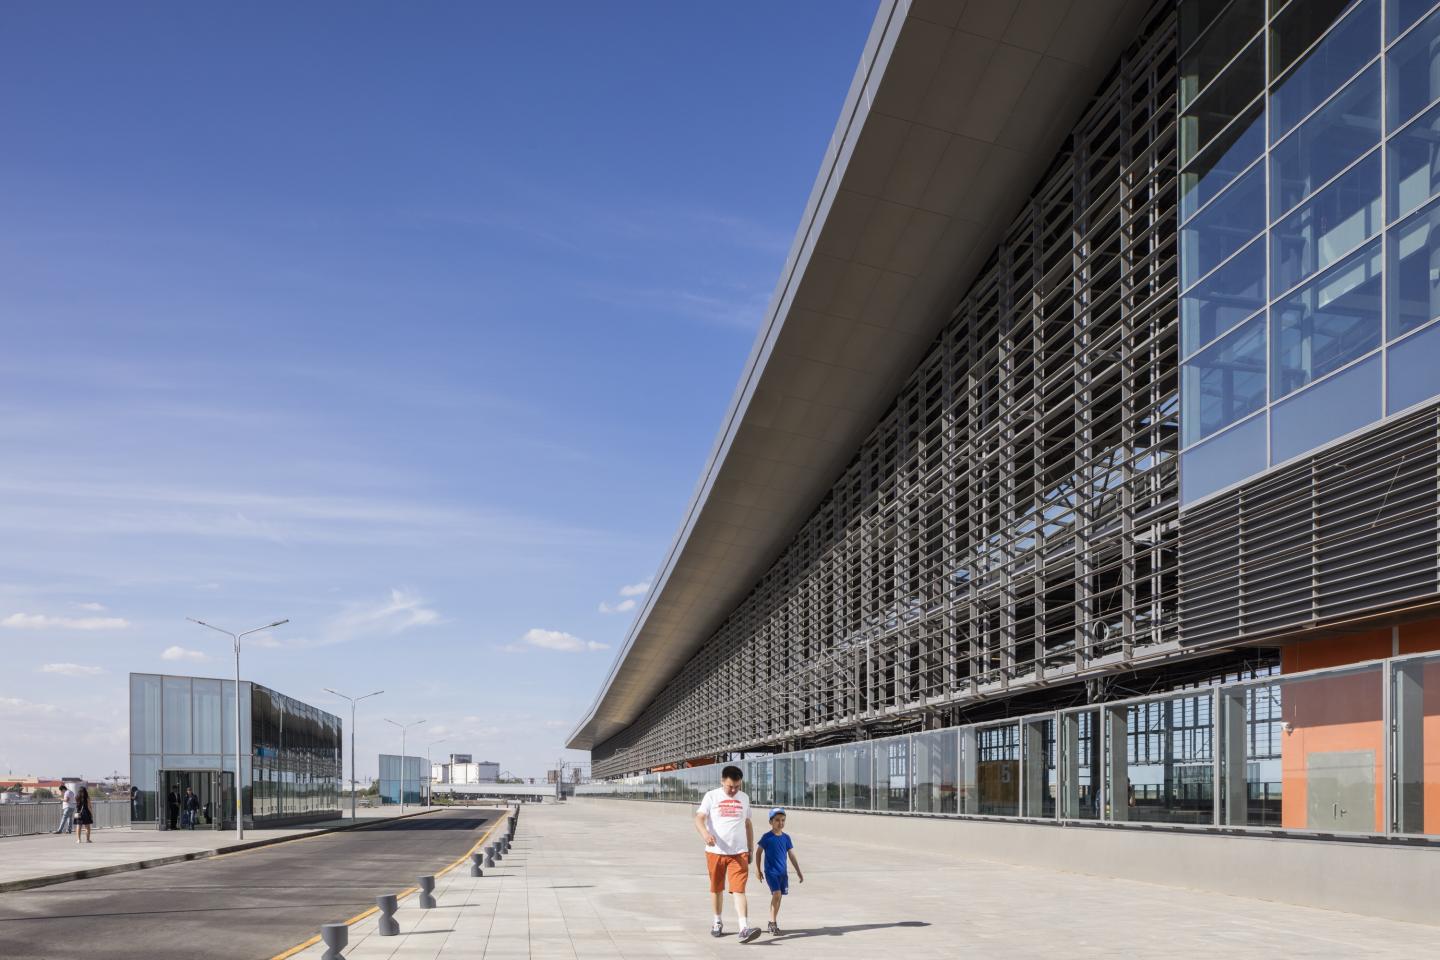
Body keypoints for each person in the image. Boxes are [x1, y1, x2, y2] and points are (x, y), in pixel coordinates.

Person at [694, 764, 760, 943]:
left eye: (737, 786)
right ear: (722, 781)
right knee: (716, 888)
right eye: (730, 786)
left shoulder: (744, 798)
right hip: (715, 852)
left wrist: (750, 848)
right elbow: (699, 818)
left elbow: (747, 824)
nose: (734, 790)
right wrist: (705, 834)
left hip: (738, 853)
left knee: (739, 889)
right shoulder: (711, 796)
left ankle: (744, 927)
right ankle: (717, 921)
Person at [754, 808, 803, 936]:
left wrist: (798, 871)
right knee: (776, 894)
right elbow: (758, 853)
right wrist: (758, 870)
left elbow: (792, 855)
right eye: (777, 820)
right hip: (771, 872)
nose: (780, 823)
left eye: (783, 820)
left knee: (779, 896)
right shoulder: (767, 837)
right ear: (771, 822)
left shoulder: (786, 838)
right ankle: (772, 922)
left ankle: (772, 921)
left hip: (783, 873)